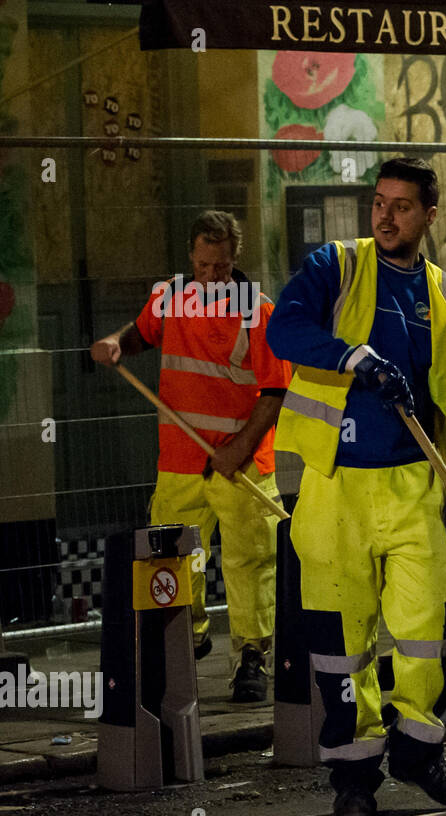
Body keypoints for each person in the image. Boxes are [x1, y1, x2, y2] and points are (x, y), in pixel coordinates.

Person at [266, 157, 446, 816]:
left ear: (428, 215)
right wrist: (354, 357)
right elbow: (284, 327)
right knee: (342, 640)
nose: (386, 216)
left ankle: (421, 750)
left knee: (428, 630)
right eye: (379, 203)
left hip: (414, 488)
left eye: (401, 206)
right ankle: (354, 776)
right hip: (334, 486)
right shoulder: (336, 266)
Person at [91, 211, 287, 702]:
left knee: (251, 563)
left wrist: (239, 448)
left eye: (220, 267)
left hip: (241, 465)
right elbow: (141, 333)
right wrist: (117, 344)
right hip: (180, 460)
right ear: (191, 258)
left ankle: (251, 658)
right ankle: (187, 636)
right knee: (176, 561)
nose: (212, 276)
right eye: (203, 265)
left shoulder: (257, 312)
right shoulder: (169, 297)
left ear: (234, 260)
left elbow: (276, 389)